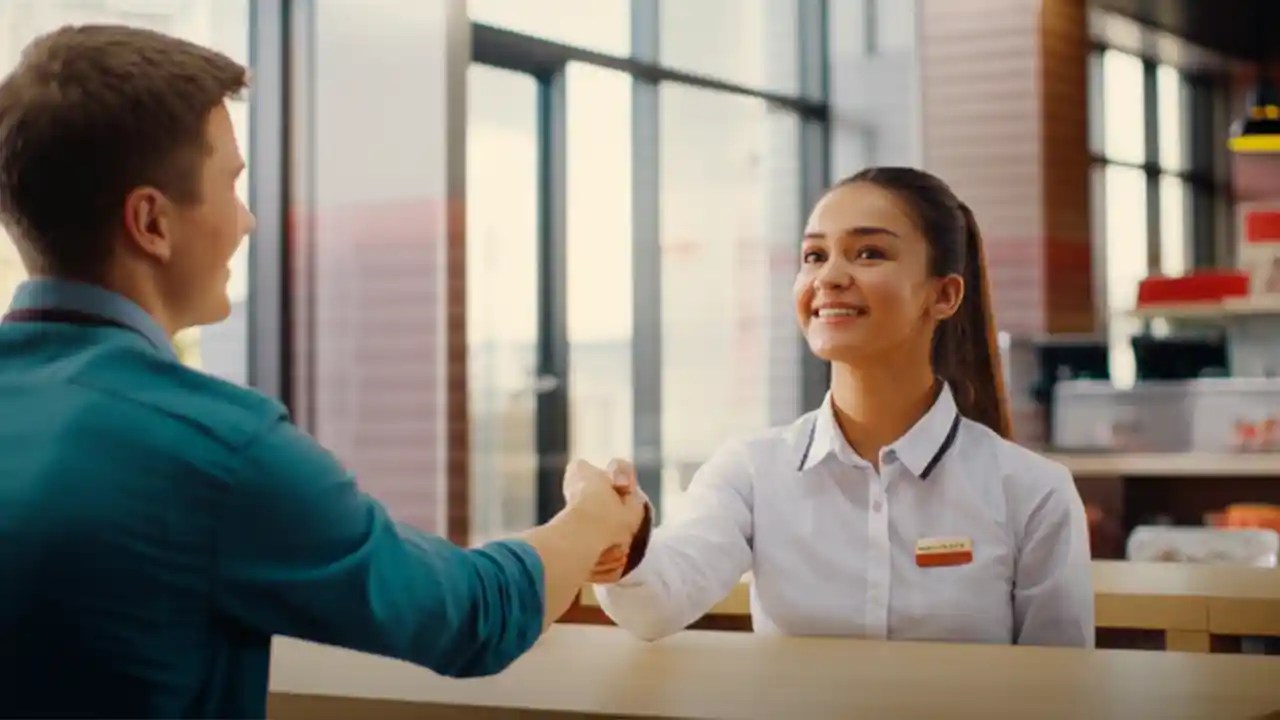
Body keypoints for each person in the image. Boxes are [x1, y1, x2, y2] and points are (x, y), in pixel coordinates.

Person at [0, 24, 643, 719]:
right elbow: (467, 614)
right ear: (151, 222)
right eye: (231, 184)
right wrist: (593, 518)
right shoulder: (217, 452)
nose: (247, 220)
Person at [594, 167, 1094, 647]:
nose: (829, 276)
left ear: (943, 295)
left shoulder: (1033, 493)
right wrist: (622, 539)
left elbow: (1062, 686)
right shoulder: (751, 472)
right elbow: (656, 605)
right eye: (814, 256)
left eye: (869, 253)